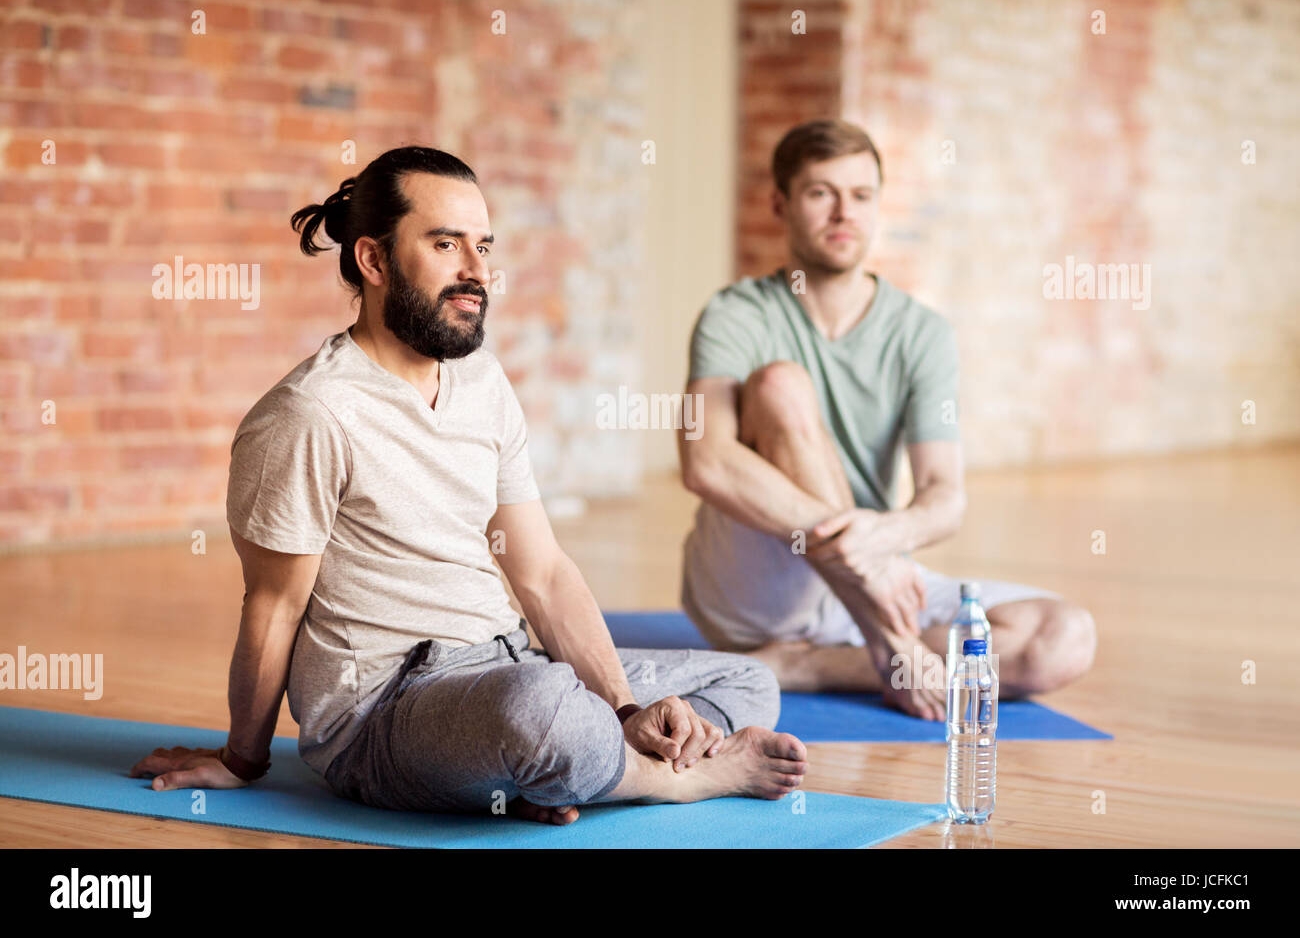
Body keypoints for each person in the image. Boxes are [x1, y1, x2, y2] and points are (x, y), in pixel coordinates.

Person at [130, 146, 806, 825]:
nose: (477, 271)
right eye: (446, 243)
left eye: (482, 245)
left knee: (745, 681)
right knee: (538, 712)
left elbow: (540, 571)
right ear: (372, 260)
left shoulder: (481, 380)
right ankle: (689, 778)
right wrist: (242, 759)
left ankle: (561, 771)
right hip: (386, 714)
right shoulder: (309, 414)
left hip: (508, 663)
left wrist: (626, 710)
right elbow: (273, 607)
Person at [677, 119, 1097, 721]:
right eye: (821, 193)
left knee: (1063, 639)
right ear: (780, 204)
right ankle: (892, 645)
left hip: (873, 567)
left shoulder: (921, 331)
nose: (843, 212)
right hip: (763, 573)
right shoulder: (736, 312)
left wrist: (886, 540)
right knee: (780, 384)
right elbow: (706, 461)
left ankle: (801, 666)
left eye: (862, 195)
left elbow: (943, 497)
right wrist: (871, 569)